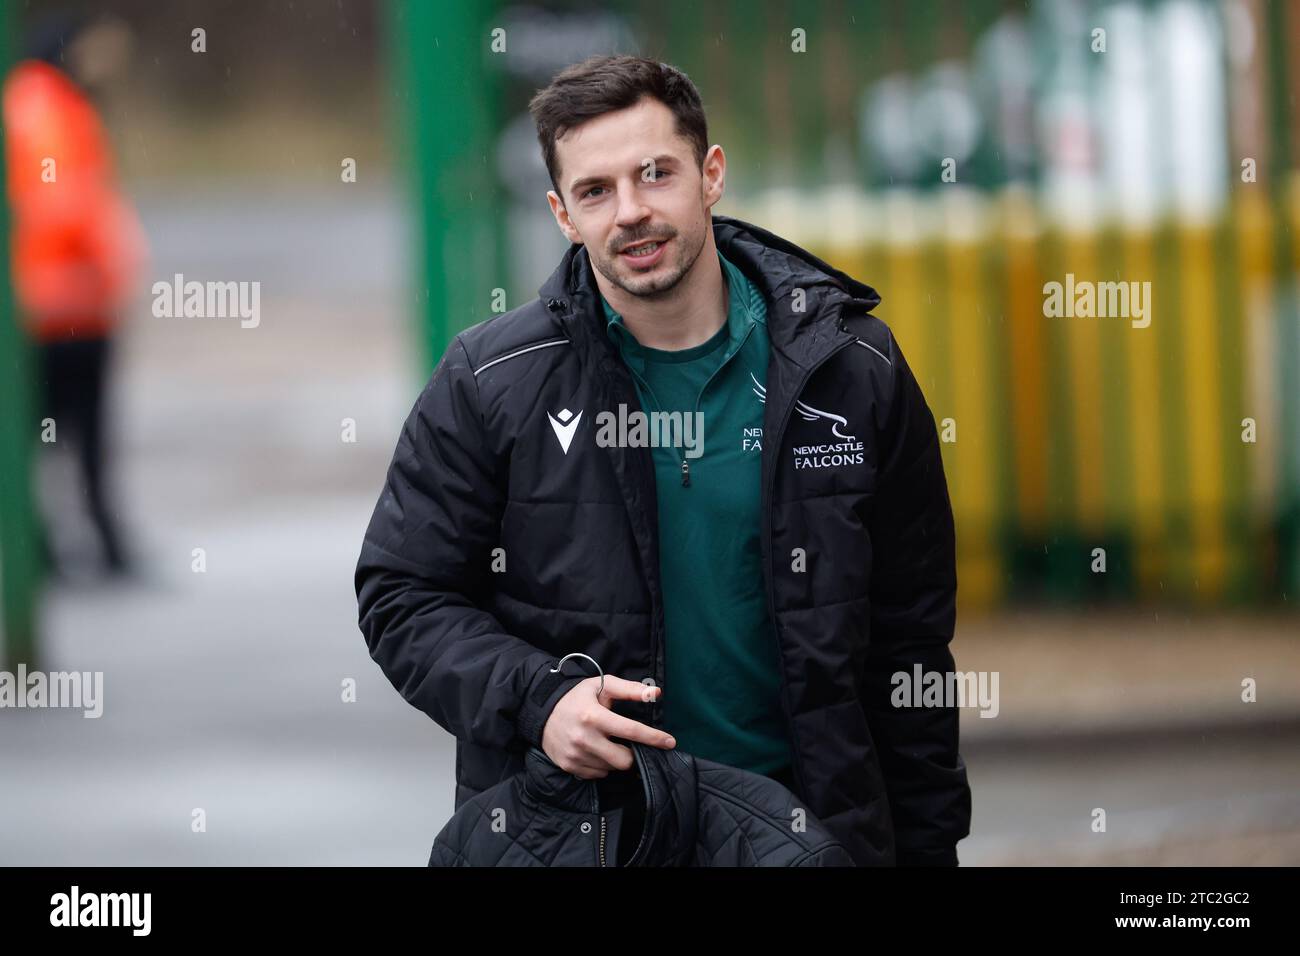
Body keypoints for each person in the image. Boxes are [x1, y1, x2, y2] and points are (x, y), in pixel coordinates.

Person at [356, 54, 971, 866]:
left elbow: (911, 643)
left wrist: (927, 849)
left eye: (656, 174)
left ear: (710, 174)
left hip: (809, 837)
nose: (632, 212)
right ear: (562, 213)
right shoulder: (492, 381)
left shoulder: (851, 366)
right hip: (591, 836)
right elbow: (403, 593)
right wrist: (539, 700)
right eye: (596, 190)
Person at [2, 13, 146, 578]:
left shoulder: (30, 101)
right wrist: (111, 260)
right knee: (80, 431)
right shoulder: (51, 108)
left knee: (45, 433)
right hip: (66, 301)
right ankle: (97, 544)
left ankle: (48, 545)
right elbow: (65, 202)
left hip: (44, 298)